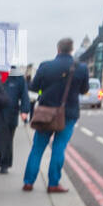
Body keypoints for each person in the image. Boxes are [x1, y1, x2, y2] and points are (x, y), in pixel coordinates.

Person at [22, 39, 90, 194]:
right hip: (68, 114)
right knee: (59, 148)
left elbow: (34, 87)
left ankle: (28, 182)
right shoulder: (81, 68)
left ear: (58, 49)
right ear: (71, 50)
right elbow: (83, 90)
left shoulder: (46, 66)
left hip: (46, 113)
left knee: (37, 148)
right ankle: (53, 183)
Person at [0, 63, 32, 175]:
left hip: (10, 113)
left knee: (7, 140)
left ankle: (4, 164)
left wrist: (25, 111)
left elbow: (24, 95)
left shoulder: (18, 77)